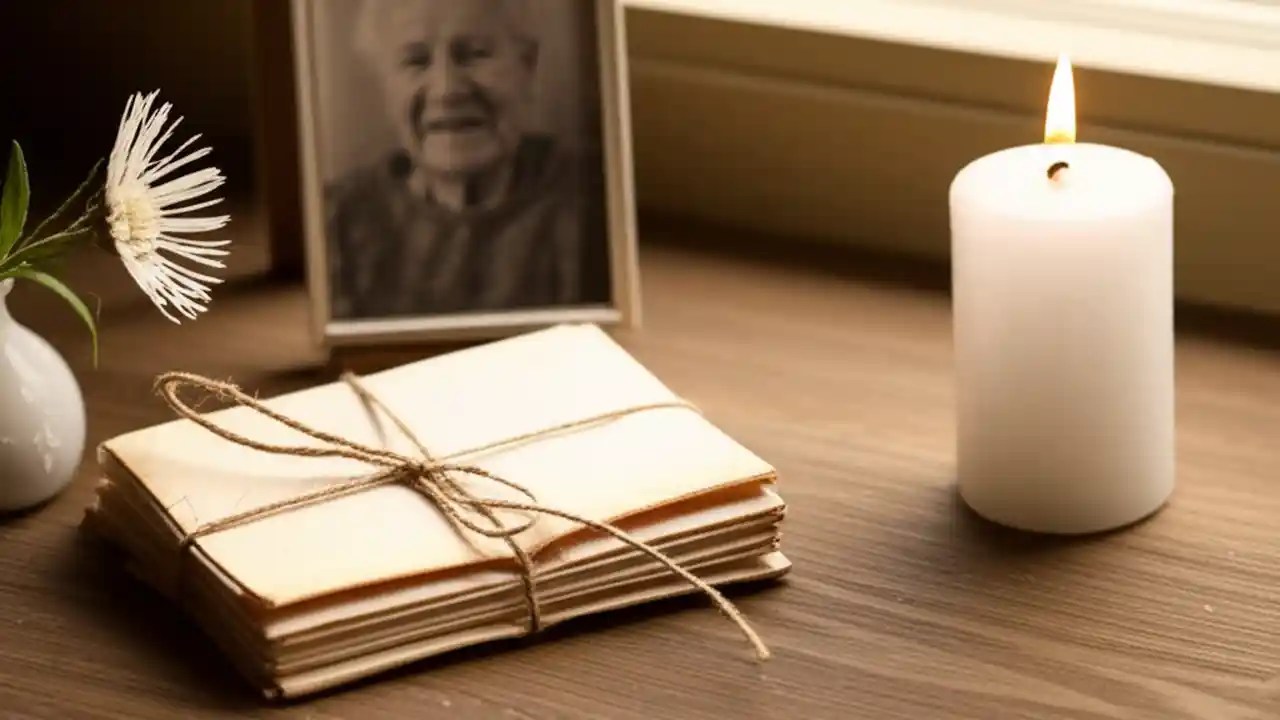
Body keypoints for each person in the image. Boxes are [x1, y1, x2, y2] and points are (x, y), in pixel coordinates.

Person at [327, 0, 608, 319]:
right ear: (385, 86)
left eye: (474, 54)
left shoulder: (593, 204)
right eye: (416, 61)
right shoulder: (339, 221)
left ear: (527, 67)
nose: (447, 90)